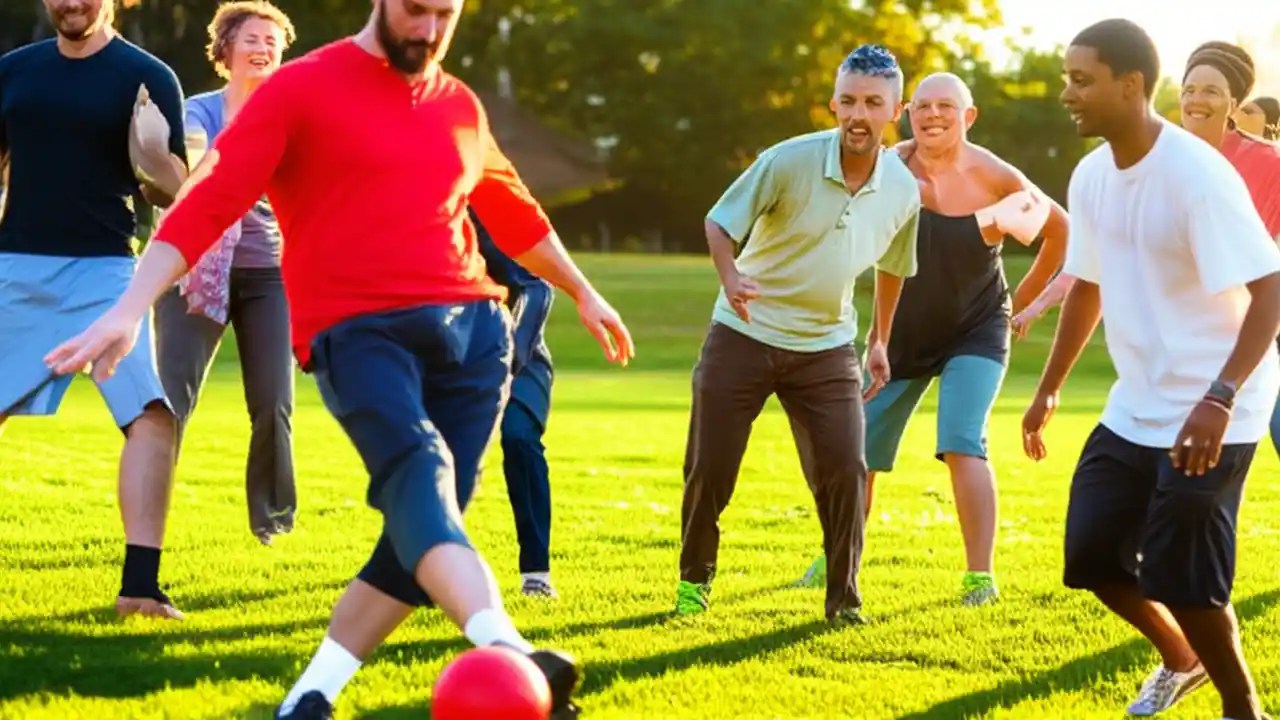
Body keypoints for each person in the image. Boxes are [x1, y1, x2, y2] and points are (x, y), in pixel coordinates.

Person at [44, 0, 633, 717]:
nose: (429, 29)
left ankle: (310, 697)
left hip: (477, 337)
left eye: (444, 15)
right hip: (360, 330)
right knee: (421, 485)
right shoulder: (301, 90)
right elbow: (208, 202)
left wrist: (584, 292)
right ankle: (508, 651)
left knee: (424, 522)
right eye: (416, 11)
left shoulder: (457, 101)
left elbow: (514, 211)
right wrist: (130, 309)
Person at [1023, 18, 1280, 720]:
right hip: (1137, 404)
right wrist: (1047, 390)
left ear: (1130, 85)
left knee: (1186, 577)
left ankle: (1242, 708)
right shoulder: (1091, 174)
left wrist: (1220, 397)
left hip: (1220, 404)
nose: (1067, 93)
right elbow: (1087, 283)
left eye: (1082, 80)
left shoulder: (1198, 177)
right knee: (1093, 555)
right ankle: (1182, 658)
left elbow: (1270, 288)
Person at [796, 72, 1068, 606]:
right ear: (907, 113)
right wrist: (876, 335)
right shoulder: (889, 167)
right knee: (856, 449)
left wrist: (1025, 301)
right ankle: (838, 555)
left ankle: (979, 578)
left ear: (968, 117)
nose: (932, 115)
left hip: (978, 326)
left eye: (945, 106)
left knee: (962, 440)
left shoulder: (995, 175)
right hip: (904, 332)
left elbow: (1061, 232)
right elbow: (865, 246)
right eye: (921, 106)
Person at [675, 44, 921, 625]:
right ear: (834, 103)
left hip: (826, 347)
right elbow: (718, 219)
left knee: (844, 470)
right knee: (711, 466)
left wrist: (880, 340)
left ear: (896, 110)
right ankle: (693, 583)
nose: (859, 114)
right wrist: (731, 276)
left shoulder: (904, 191)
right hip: (744, 333)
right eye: (850, 101)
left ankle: (843, 601)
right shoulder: (788, 160)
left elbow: (894, 267)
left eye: (873, 103)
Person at [0, 0, 188, 620]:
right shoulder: (14, 71)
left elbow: (174, 191)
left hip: (105, 276)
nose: (70, 3)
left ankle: (140, 587)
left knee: (151, 417)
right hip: (15, 269)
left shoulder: (148, 76)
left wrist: (155, 152)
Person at [154, 0, 299, 546]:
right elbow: (196, 162)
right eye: (252, 40)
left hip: (268, 273)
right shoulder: (199, 111)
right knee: (172, 398)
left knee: (273, 402)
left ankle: (273, 522)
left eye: (272, 42)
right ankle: (151, 515)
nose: (263, 48)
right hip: (194, 269)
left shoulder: (293, 116)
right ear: (226, 51)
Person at [473, 208, 559, 598]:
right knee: (425, 456)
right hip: (440, 362)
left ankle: (536, 574)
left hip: (519, 359)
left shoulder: (482, 214)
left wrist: (511, 356)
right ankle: (411, 568)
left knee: (520, 439)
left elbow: (537, 287)